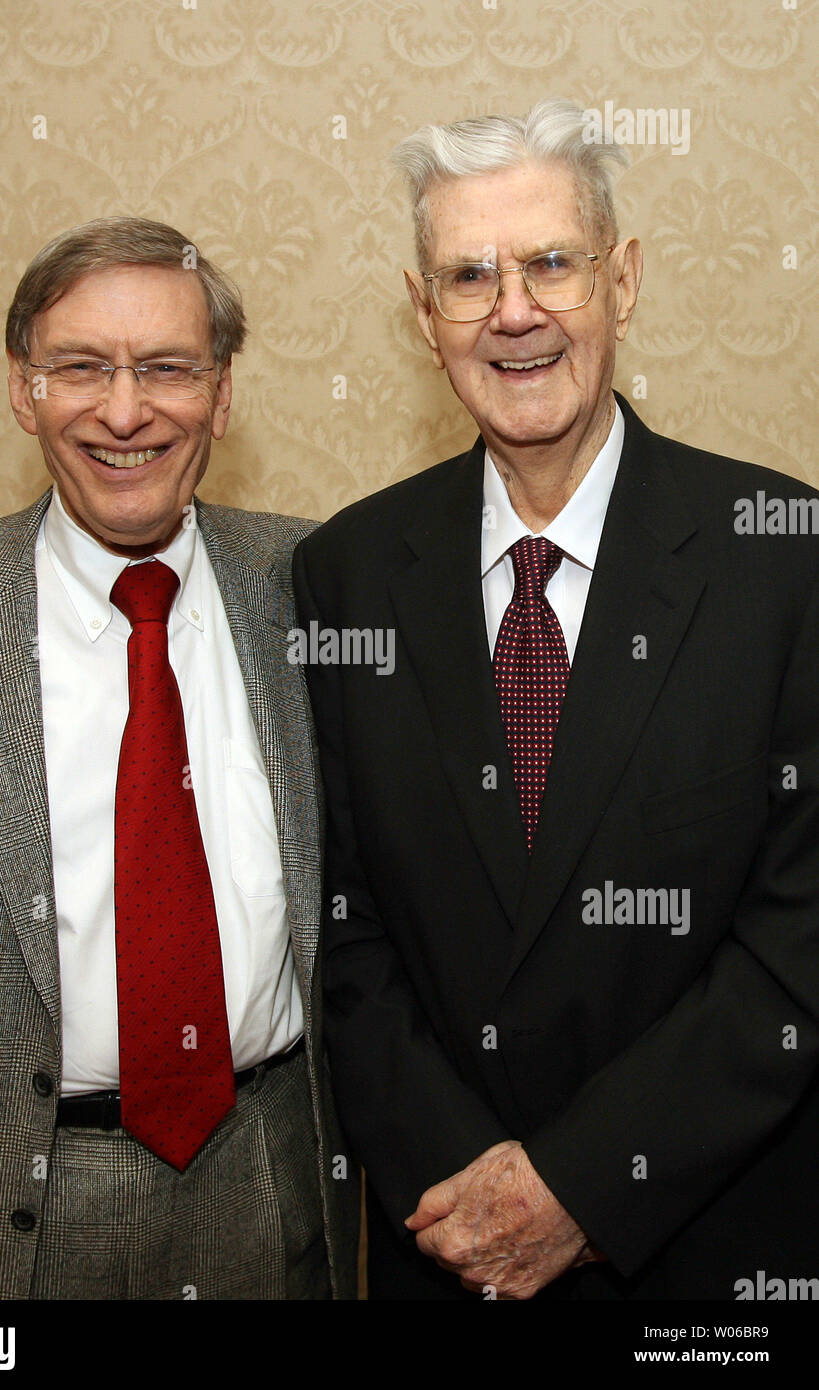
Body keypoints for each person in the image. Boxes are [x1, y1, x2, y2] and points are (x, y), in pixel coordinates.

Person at [293, 99, 819, 1300]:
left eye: (550, 263)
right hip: (449, 1242)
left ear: (622, 280)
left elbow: (798, 936)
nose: (512, 310)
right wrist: (465, 1182)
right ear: (423, 315)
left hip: (709, 1246)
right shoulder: (346, 573)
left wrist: (580, 1184)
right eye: (467, 276)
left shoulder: (783, 555)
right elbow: (341, 926)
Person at [0, 216, 357, 1300]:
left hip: (265, 1193)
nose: (124, 411)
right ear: (21, 388)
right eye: (79, 367)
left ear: (222, 396)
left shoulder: (318, 588)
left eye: (168, 369)